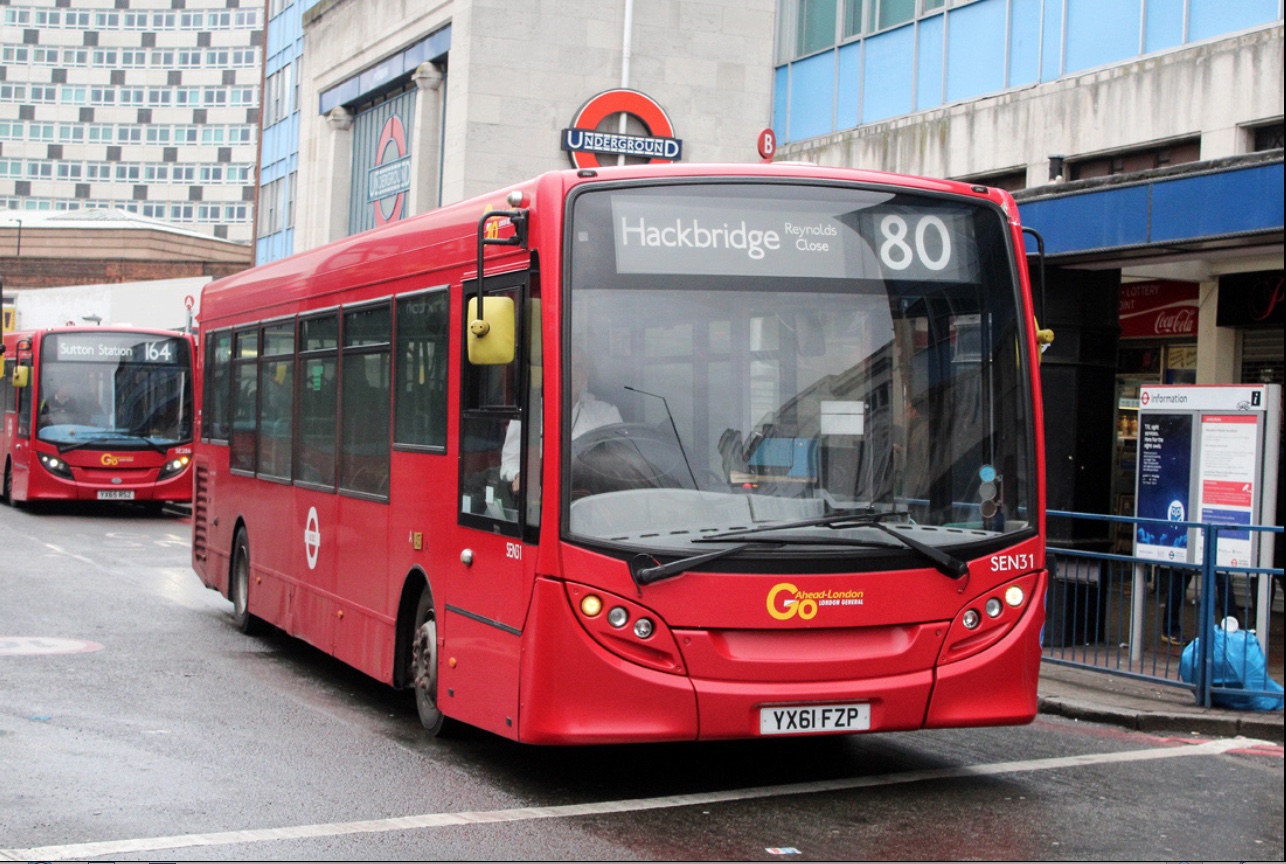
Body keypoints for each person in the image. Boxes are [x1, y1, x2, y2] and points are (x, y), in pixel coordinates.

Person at [500, 347, 621, 492]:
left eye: (579, 367)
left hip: (592, 493)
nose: (572, 373)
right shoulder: (530, 412)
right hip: (544, 495)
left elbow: (620, 461)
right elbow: (510, 461)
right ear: (553, 370)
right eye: (567, 365)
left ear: (587, 373)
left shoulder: (606, 413)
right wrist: (520, 475)